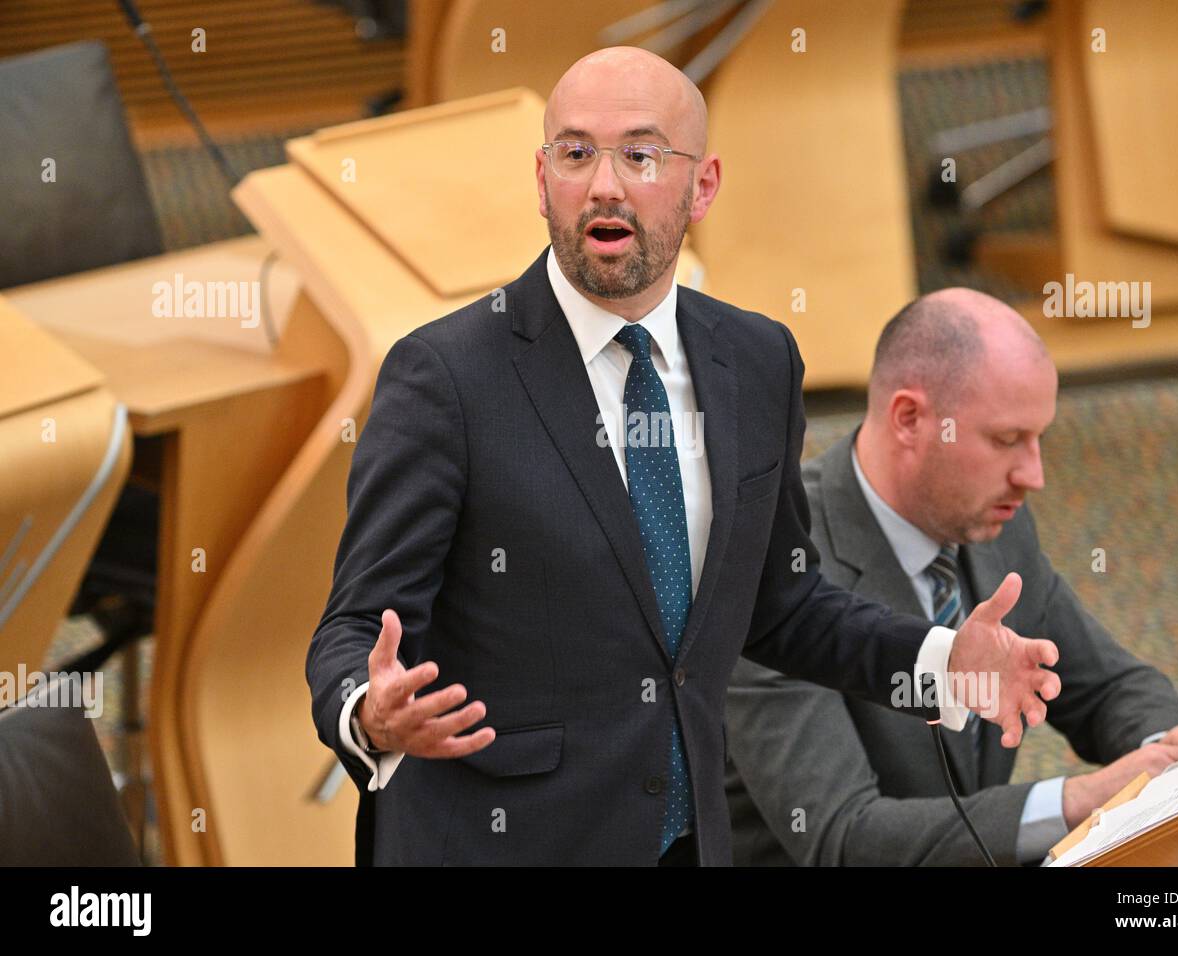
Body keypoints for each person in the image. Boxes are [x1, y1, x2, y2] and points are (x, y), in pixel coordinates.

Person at [306, 50, 1060, 866]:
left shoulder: (757, 359)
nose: (603, 184)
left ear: (703, 186)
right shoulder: (446, 377)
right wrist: (367, 712)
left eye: (640, 154)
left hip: (684, 841)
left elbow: (783, 606)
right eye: (575, 152)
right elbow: (354, 625)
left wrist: (943, 662)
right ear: (541, 179)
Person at [725, 289, 1178, 866]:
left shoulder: (991, 517)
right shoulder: (775, 563)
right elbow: (844, 837)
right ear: (909, 419)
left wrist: (1169, 751)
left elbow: (1105, 685)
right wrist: (1080, 801)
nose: (1034, 476)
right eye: (1007, 440)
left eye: (1040, 439)